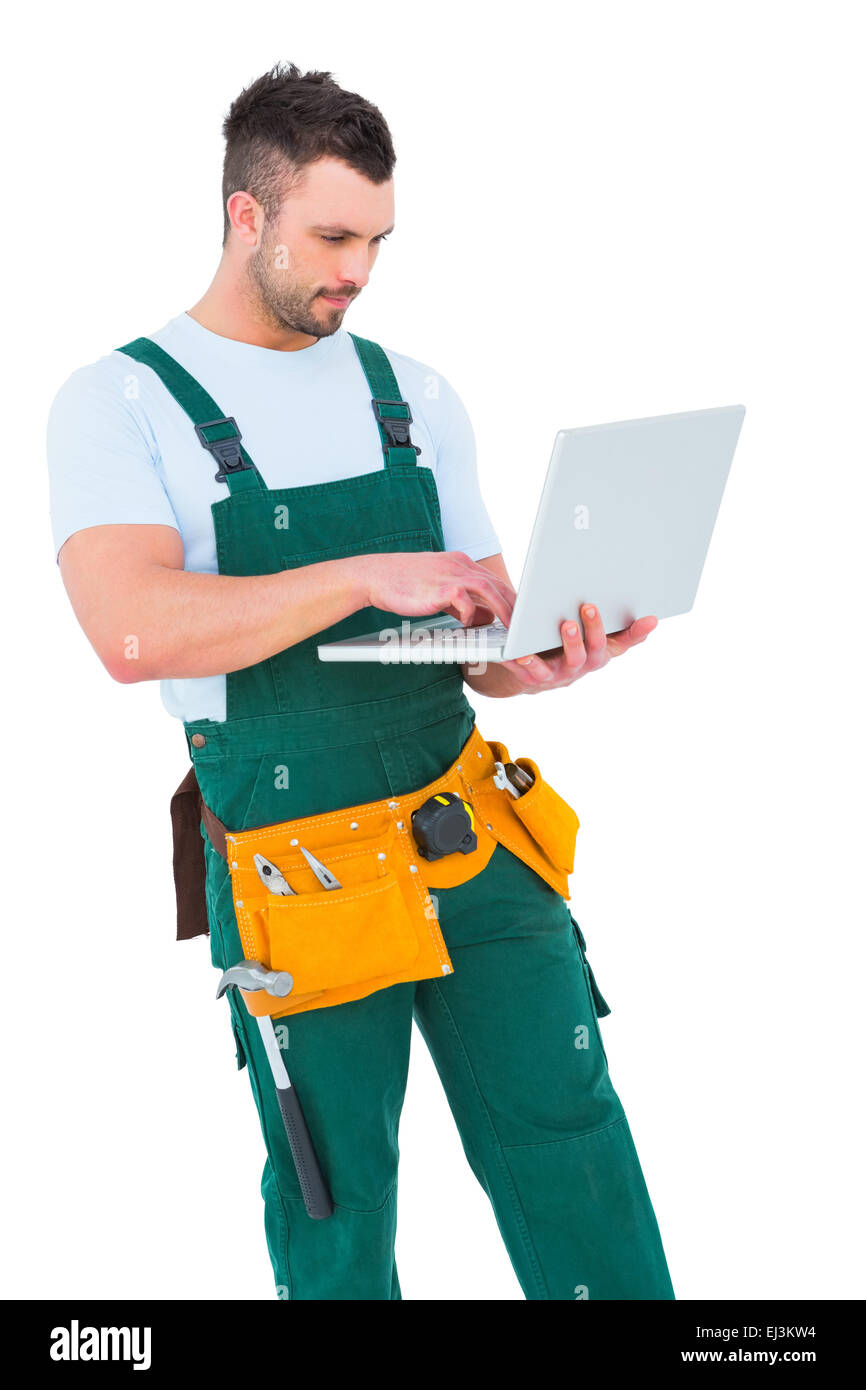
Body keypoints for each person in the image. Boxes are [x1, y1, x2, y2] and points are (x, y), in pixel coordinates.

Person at [47, 62, 674, 1301]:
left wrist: (538, 658)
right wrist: (359, 572)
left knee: (573, 1147)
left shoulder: (416, 395)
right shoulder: (119, 401)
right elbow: (129, 635)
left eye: (377, 240)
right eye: (332, 235)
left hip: (469, 834)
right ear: (247, 214)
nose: (358, 270)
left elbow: (480, 632)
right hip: (296, 864)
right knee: (336, 1197)